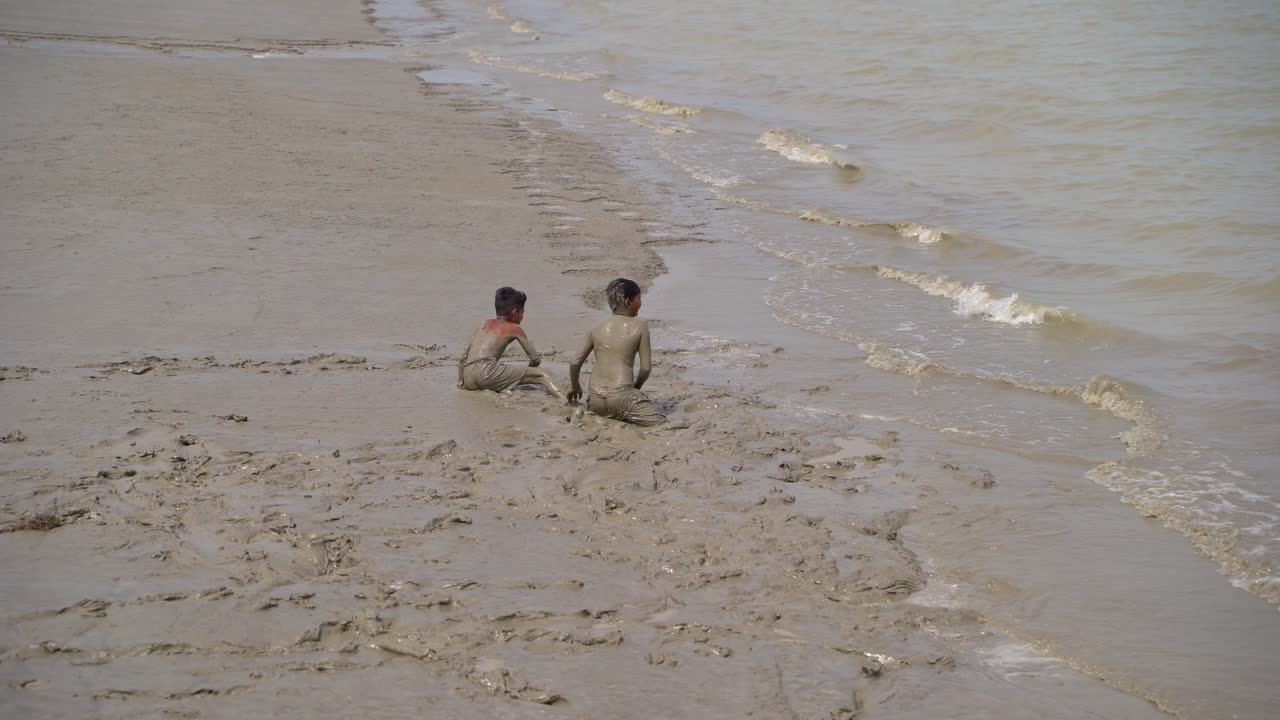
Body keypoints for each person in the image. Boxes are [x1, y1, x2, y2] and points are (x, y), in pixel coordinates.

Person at [568, 278, 666, 426]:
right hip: (622, 397)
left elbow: (575, 363)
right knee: (661, 423)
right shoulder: (640, 326)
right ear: (628, 302)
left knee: (604, 408)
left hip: (595, 400)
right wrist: (635, 389)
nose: (641, 302)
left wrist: (575, 387)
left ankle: (586, 412)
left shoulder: (597, 327)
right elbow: (645, 368)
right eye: (639, 298)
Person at [458, 287, 568, 402]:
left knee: (498, 372)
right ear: (515, 312)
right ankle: (568, 402)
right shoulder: (515, 328)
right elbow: (535, 359)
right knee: (542, 374)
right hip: (487, 374)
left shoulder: (483, 324)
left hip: (468, 377)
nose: (523, 316)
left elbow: (463, 357)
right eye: (523, 312)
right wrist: (526, 374)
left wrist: (461, 382)